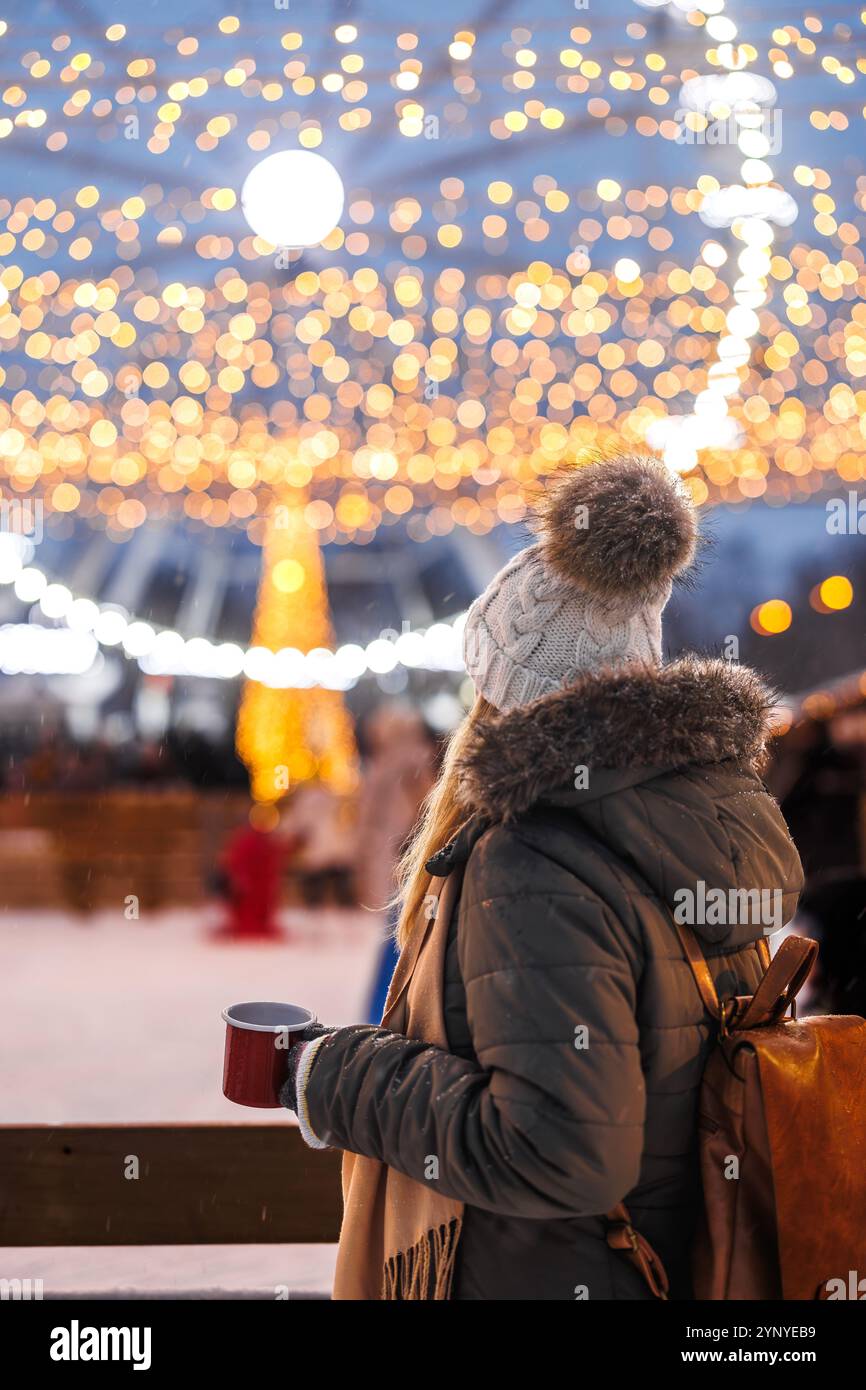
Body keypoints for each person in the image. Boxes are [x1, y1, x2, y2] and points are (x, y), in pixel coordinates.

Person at [279, 452, 804, 1301]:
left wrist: (331, 1076)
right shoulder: (707, 823)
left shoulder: (533, 860)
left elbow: (558, 1150)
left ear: (502, 692)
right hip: (685, 1269)